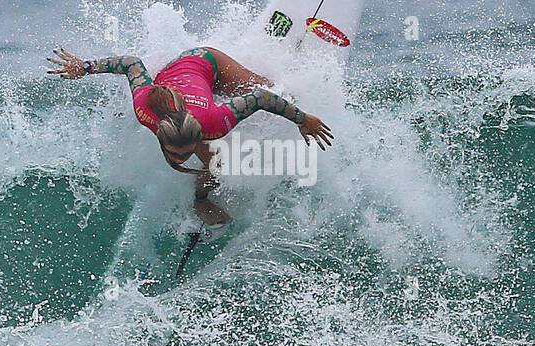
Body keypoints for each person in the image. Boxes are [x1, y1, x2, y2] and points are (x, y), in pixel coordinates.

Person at [49, 45, 333, 223]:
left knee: (277, 89)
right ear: (160, 135)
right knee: (211, 161)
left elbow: (261, 98)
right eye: (177, 154)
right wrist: (85, 68)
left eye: (184, 154)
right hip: (179, 69)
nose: (181, 160)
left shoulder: (214, 121)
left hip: (208, 64)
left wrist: (303, 119)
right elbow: (131, 64)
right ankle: (203, 198)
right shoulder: (145, 107)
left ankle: (201, 199)